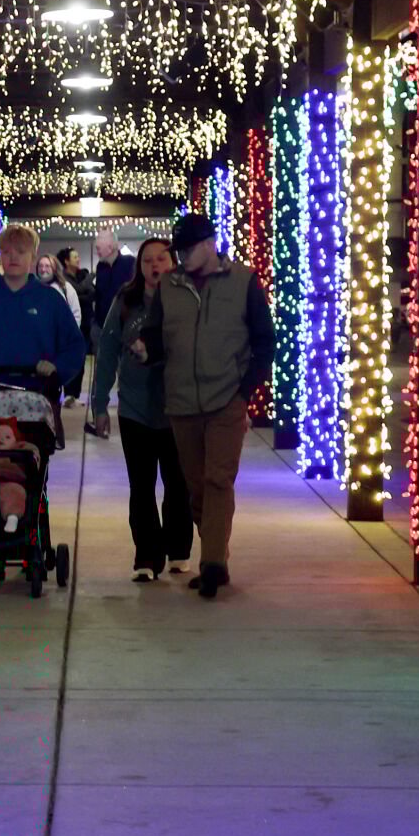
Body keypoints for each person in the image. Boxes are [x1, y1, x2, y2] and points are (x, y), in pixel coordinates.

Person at [133, 213, 275, 600]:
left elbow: (265, 342)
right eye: (178, 250)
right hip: (181, 403)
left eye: (189, 248)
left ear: (211, 244)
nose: (181, 256)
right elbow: (156, 334)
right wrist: (147, 352)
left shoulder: (243, 282)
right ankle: (216, 550)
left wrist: (244, 392)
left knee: (218, 480)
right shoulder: (170, 287)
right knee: (196, 487)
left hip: (226, 400)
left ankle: (213, 563)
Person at [91, 237, 192, 582]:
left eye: (162, 259)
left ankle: (179, 550)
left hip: (178, 408)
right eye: (148, 260)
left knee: (178, 484)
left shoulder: (186, 298)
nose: (155, 265)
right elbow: (106, 352)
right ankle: (146, 557)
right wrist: (99, 404)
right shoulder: (126, 300)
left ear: (173, 262)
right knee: (142, 486)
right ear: (140, 266)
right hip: (135, 410)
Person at [0, 223, 87, 394]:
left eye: (21, 251)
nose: (13, 257)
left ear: (32, 257)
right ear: (0, 257)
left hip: (39, 396)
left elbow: (74, 345)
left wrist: (57, 368)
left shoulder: (51, 300)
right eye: (7, 252)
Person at [57, 246, 96, 405]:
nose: (78, 259)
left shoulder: (82, 275)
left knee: (81, 360)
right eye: (75, 257)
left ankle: (76, 395)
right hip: (72, 324)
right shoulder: (64, 278)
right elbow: (79, 291)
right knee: (70, 359)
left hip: (87, 323)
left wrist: (83, 292)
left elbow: (92, 294)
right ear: (66, 261)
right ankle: (68, 394)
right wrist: (91, 277)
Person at [90, 227, 136, 331]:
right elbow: (99, 296)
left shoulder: (130, 263)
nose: (97, 252)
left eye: (98, 248)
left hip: (125, 325)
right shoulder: (100, 266)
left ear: (110, 248)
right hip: (103, 326)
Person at [35, 252, 83, 333]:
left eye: (47, 266)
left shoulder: (66, 288)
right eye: (40, 266)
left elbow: (76, 314)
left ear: (54, 268)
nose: (43, 269)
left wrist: (70, 335)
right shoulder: (33, 289)